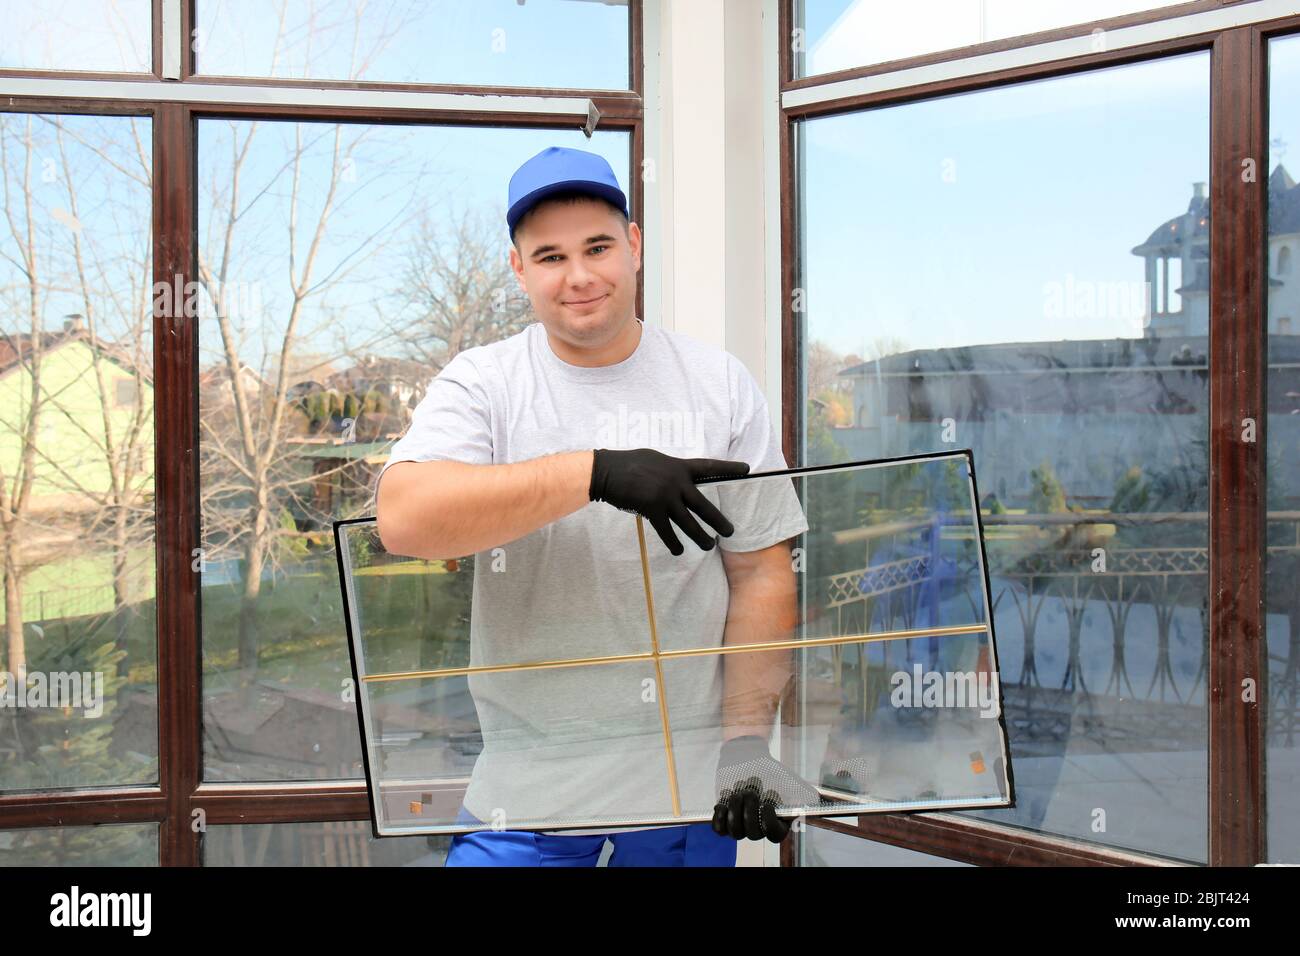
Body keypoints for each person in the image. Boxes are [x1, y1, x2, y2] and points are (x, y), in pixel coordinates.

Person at [374, 146, 814, 867]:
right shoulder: (484, 383)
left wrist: (743, 743)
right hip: (523, 804)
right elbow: (405, 517)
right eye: (549, 256)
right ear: (519, 270)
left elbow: (760, 574)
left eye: (598, 247)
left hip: (685, 802)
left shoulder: (718, 385)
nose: (578, 277)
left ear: (634, 247)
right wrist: (595, 473)